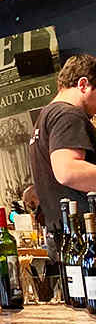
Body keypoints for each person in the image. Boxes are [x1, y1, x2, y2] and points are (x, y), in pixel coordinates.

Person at [29, 54, 96, 260]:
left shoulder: (45, 117)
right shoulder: (69, 115)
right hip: (84, 238)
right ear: (83, 84)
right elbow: (68, 171)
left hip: (63, 236)